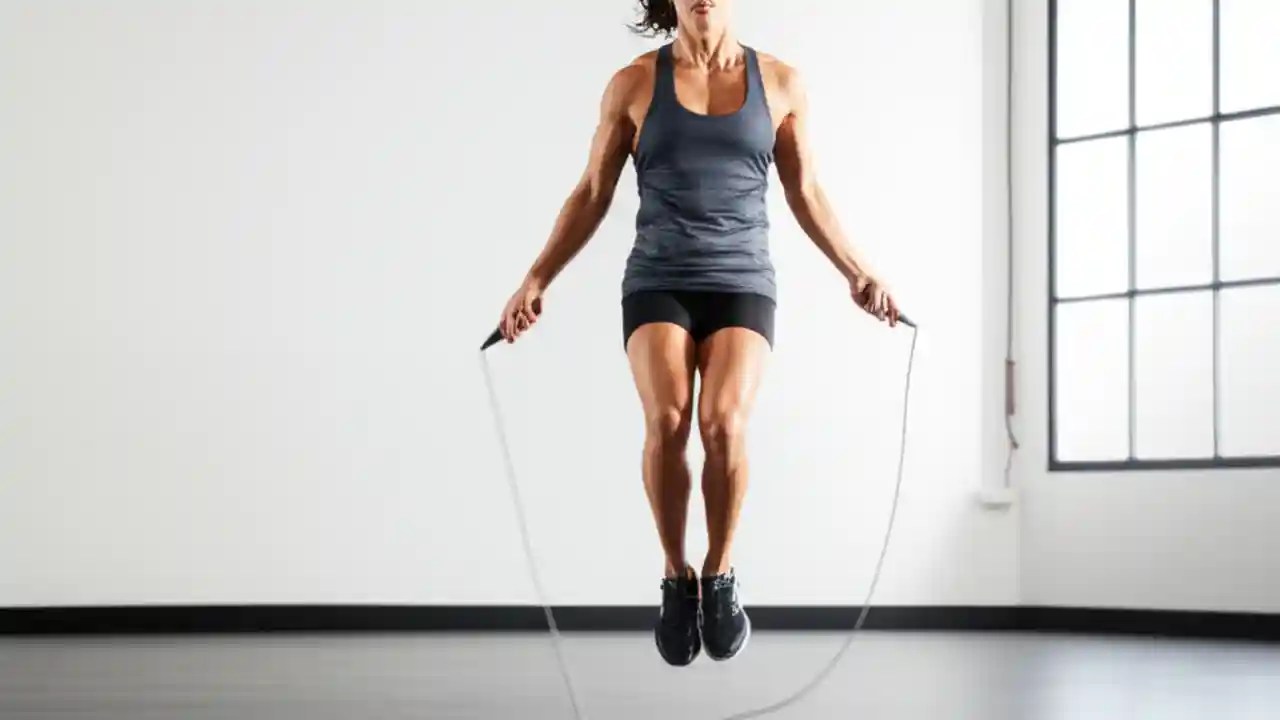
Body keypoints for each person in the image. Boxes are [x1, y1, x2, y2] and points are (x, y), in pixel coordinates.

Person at [496, 0, 900, 666]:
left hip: (742, 278)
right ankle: (674, 576)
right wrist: (536, 279)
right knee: (669, 419)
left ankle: (719, 575)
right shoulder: (632, 83)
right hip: (658, 276)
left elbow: (809, 193)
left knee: (722, 424)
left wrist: (859, 272)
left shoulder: (780, 82)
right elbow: (593, 191)